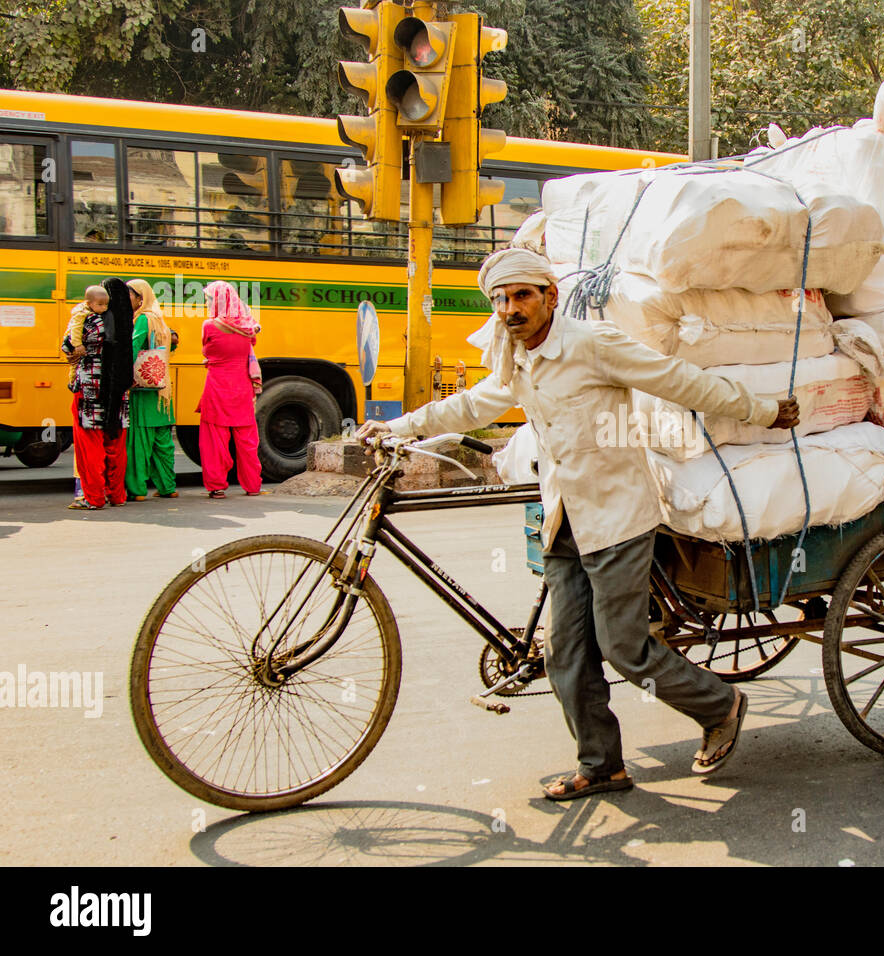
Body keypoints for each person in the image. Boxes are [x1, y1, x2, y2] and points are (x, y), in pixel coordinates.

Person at [356, 248, 800, 799]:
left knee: (625, 648)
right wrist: (400, 426)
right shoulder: (515, 360)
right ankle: (602, 765)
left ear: (550, 296)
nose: (510, 309)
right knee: (564, 653)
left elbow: (676, 379)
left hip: (617, 515)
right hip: (565, 517)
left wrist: (759, 409)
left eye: (521, 296)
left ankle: (721, 705)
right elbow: (470, 407)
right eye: (500, 299)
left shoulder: (592, 346)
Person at [61, 278, 133, 510]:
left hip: (91, 391)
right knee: (116, 445)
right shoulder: (126, 325)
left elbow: (67, 347)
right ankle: (117, 495)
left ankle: (93, 497)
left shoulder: (90, 321)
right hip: (119, 393)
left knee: (90, 447)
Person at [197, 280, 262, 498]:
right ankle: (253, 486)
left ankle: (217, 486)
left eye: (209, 299)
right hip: (242, 386)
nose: (207, 303)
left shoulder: (209, 325)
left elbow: (207, 351)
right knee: (246, 438)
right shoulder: (248, 328)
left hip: (217, 386)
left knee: (215, 438)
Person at [124, 279, 180, 500]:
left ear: (140, 298)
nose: (127, 299)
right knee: (163, 442)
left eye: (130, 295)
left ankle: (137, 490)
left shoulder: (142, 320)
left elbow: (133, 347)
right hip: (162, 390)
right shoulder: (160, 319)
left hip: (144, 390)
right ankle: (168, 487)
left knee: (140, 442)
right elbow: (172, 344)